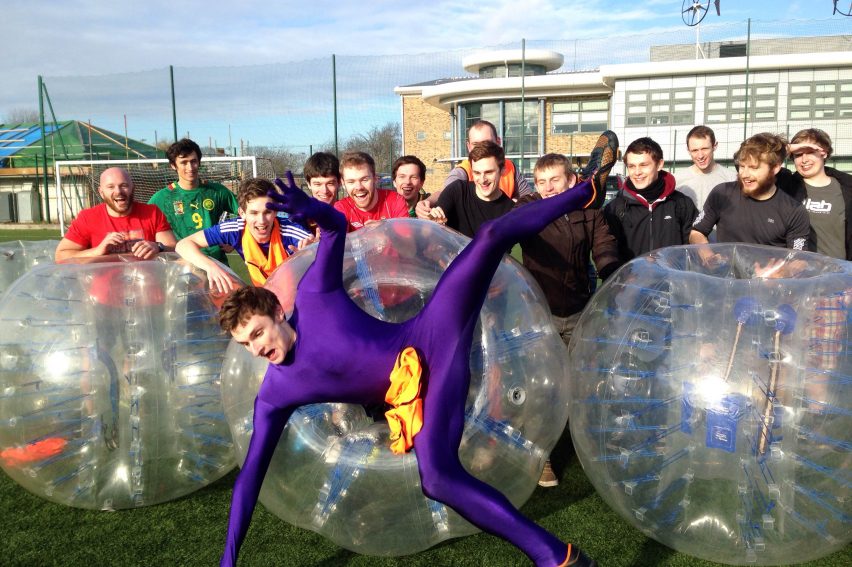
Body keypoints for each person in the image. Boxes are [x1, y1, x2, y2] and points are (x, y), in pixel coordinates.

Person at [217, 148, 613, 565]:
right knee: (438, 479)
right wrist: (228, 560)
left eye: (258, 332)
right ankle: (561, 557)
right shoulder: (276, 392)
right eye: (247, 344)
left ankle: (586, 191)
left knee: (492, 237)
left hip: (429, 335)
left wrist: (312, 207)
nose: (257, 348)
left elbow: (335, 228)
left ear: (279, 311)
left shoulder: (314, 295)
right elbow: (249, 479)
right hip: (419, 394)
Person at [518, 145, 621, 488]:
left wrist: (611, 273)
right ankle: (542, 457)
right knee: (541, 388)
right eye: (542, 181)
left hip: (578, 311)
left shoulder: (589, 212)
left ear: (571, 180)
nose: (548, 188)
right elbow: (507, 224)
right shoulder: (530, 208)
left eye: (555, 180)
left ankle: (589, 449)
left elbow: (604, 247)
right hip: (540, 314)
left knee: (581, 384)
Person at [175, 178, 312, 291]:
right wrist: (210, 267)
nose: (261, 221)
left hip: (298, 297)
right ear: (242, 213)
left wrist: (313, 250)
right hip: (266, 298)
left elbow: (319, 250)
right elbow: (183, 245)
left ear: (275, 211)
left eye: (267, 212)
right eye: (254, 213)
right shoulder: (235, 229)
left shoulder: (290, 232)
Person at [690, 133, 809, 251]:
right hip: (725, 270)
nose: (745, 174)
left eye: (754, 168)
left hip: (769, 270)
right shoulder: (722, 193)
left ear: (775, 168)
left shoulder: (794, 211)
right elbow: (697, 233)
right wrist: (707, 256)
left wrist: (779, 270)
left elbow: (799, 258)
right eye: (742, 166)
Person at [603, 137, 698, 263]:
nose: (637, 172)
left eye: (643, 165)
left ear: (659, 164)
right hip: (632, 281)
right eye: (631, 166)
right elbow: (608, 252)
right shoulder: (614, 208)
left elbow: (694, 249)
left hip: (672, 281)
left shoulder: (681, 204)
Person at [416, 120, 532, 220]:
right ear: (468, 146)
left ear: (498, 142)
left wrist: (514, 205)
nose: (482, 148)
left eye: (487, 143)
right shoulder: (462, 172)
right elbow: (445, 193)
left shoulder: (510, 167)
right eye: (476, 144)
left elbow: (528, 196)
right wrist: (428, 202)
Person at [147, 138, 239, 264]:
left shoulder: (217, 191)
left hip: (217, 263)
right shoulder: (161, 198)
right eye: (184, 163)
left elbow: (246, 213)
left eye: (193, 161)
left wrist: (234, 238)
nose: (190, 167)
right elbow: (145, 227)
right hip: (181, 266)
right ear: (173, 165)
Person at [55, 167, 176, 261]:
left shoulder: (152, 212)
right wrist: (97, 251)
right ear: (101, 192)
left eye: (124, 185)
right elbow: (61, 256)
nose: (118, 191)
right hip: (105, 291)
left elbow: (173, 248)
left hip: (146, 287)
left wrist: (158, 247)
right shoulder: (87, 218)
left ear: (133, 188)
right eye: (110, 187)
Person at [775, 128, 852, 260]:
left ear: (825, 153)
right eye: (798, 154)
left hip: (839, 275)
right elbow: (757, 157)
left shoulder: (846, 187)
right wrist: (788, 148)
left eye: (810, 152)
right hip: (797, 274)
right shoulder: (785, 185)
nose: (804, 160)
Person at [425, 141, 515, 238]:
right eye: (477, 173)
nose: (482, 179)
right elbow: (426, 233)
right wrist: (433, 224)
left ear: (502, 171)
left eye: (489, 172)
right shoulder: (457, 191)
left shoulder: (510, 211)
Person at [333, 151, 409, 231]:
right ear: (343, 183)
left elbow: (407, 240)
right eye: (351, 182)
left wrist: (387, 230)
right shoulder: (341, 208)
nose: (359, 187)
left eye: (365, 179)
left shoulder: (395, 200)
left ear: (375, 178)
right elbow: (335, 239)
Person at [675, 125, 737, 210]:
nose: (700, 156)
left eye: (704, 149)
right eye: (695, 150)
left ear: (714, 146)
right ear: (688, 150)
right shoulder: (677, 181)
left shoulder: (732, 179)